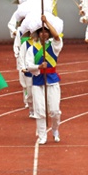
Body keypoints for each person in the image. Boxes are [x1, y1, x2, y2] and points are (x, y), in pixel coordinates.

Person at [24, 14, 64, 145]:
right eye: (41, 31)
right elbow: (28, 66)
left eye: (46, 32)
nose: (44, 34)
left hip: (52, 80)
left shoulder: (54, 46)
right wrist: (38, 66)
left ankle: (55, 130)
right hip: (38, 81)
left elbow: (57, 37)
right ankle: (42, 135)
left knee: (54, 111)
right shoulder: (31, 49)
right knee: (40, 111)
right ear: (37, 34)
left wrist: (46, 22)